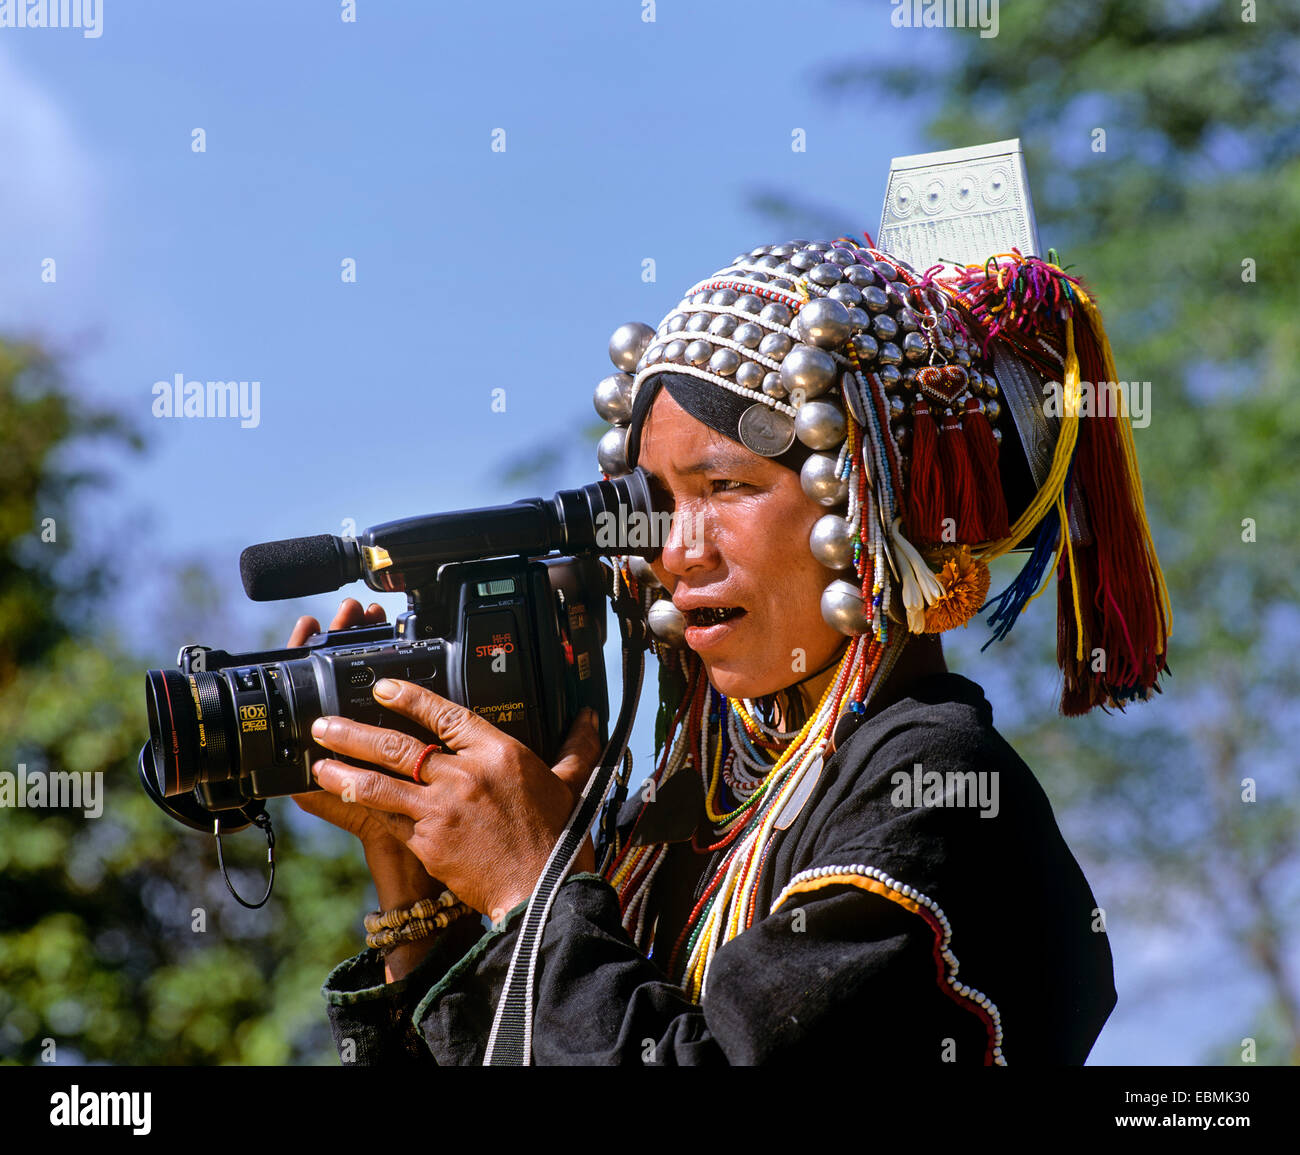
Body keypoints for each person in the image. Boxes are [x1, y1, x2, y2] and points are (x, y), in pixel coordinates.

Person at [292, 237, 1171, 1065]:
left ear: (869, 500)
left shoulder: (937, 790)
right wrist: (422, 898)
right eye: (660, 504)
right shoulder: (688, 806)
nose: (681, 551)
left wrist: (531, 892)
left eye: (726, 487)